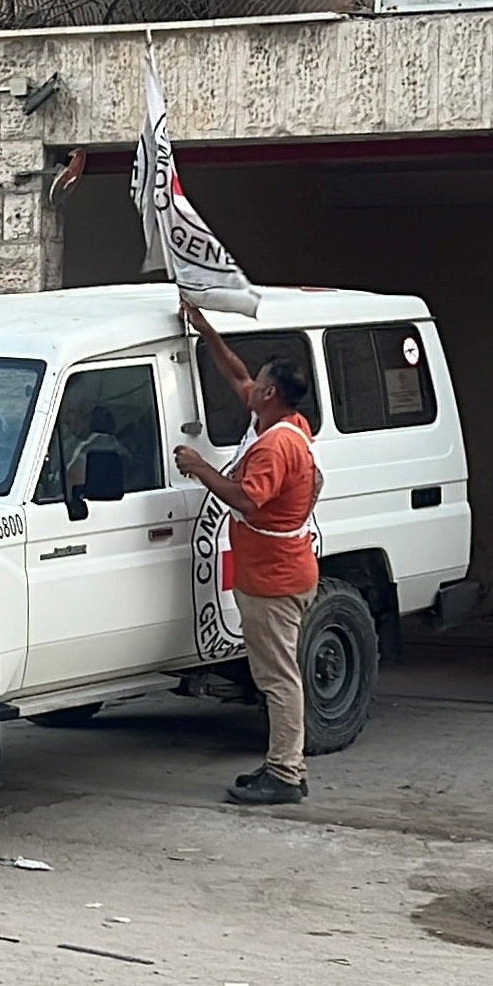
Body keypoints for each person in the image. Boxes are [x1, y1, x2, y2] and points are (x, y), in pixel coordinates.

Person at [172, 298, 322, 806]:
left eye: (258, 382)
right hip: (283, 569)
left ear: (270, 393)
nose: (248, 384)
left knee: (278, 678)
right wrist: (203, 328)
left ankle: (285, 771)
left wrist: (198, 467)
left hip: (275, 578)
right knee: (278, 673)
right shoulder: (284, 424)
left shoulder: (274, 447)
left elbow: (246, 499)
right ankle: (285, 766)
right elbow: (232, 368)